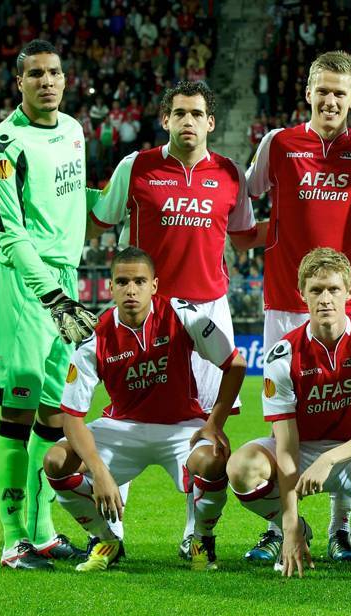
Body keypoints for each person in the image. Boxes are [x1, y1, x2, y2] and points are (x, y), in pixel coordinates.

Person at [89, 80, 255, 560]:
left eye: (196, 113)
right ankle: (110, 535)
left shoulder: (230, 173)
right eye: (179, 113)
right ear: (165, 119)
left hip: (208, 310)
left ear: (211, 122)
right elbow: (99, 221)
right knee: (130, 413)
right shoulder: (136, 166)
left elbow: (244, 234)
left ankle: (194, 535)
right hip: (147, 313)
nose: (188, 121)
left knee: (205, 427)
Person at [245, 51, 351, 563]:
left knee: (348, 416)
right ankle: (284, 524)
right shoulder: (278, 143)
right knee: (285, 418)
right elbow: (246, 195)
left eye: (339, 92)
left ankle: (340, 528)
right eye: (322, 90)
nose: (330, 100)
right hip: (286, 300)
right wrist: (274, 234)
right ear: (308, 93)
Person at [43, 247, 245, 571]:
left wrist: (214, 423)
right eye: (123, 282)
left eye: (139, 281)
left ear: (154, 285)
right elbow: (72, 417)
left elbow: (234, 364)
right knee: (55, 461)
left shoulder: (182, 314)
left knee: (214, 460)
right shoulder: (95, 337)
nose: (131, 290)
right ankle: (104, 538)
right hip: (122, 428)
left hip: (181, 427)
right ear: (110, 287)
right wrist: (99, 471)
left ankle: (201, 539)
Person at [0, 40, 99, 569]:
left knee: (56, 413)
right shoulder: (5, 142)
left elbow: (77, 201)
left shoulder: (73, 130)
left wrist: (122, 195)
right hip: (26, 287)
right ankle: (13, 540)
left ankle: (42, 531)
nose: (46, 81)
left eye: (54, 73)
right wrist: (49, 293)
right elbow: (8, 230)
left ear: (65, 80)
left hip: (65, 284)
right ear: (20, 83)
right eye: (35, 74)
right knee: (18, 411)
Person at [225, 248, 351, 576]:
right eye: (316, 290)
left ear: (349, 292)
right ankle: (296, 530)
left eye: (333, 289)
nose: (325, 299)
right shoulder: (283, 355)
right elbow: (285, 446)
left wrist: (330, 459)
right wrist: (290, 522)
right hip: (302, 451)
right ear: (302, 294)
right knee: (241, 467)